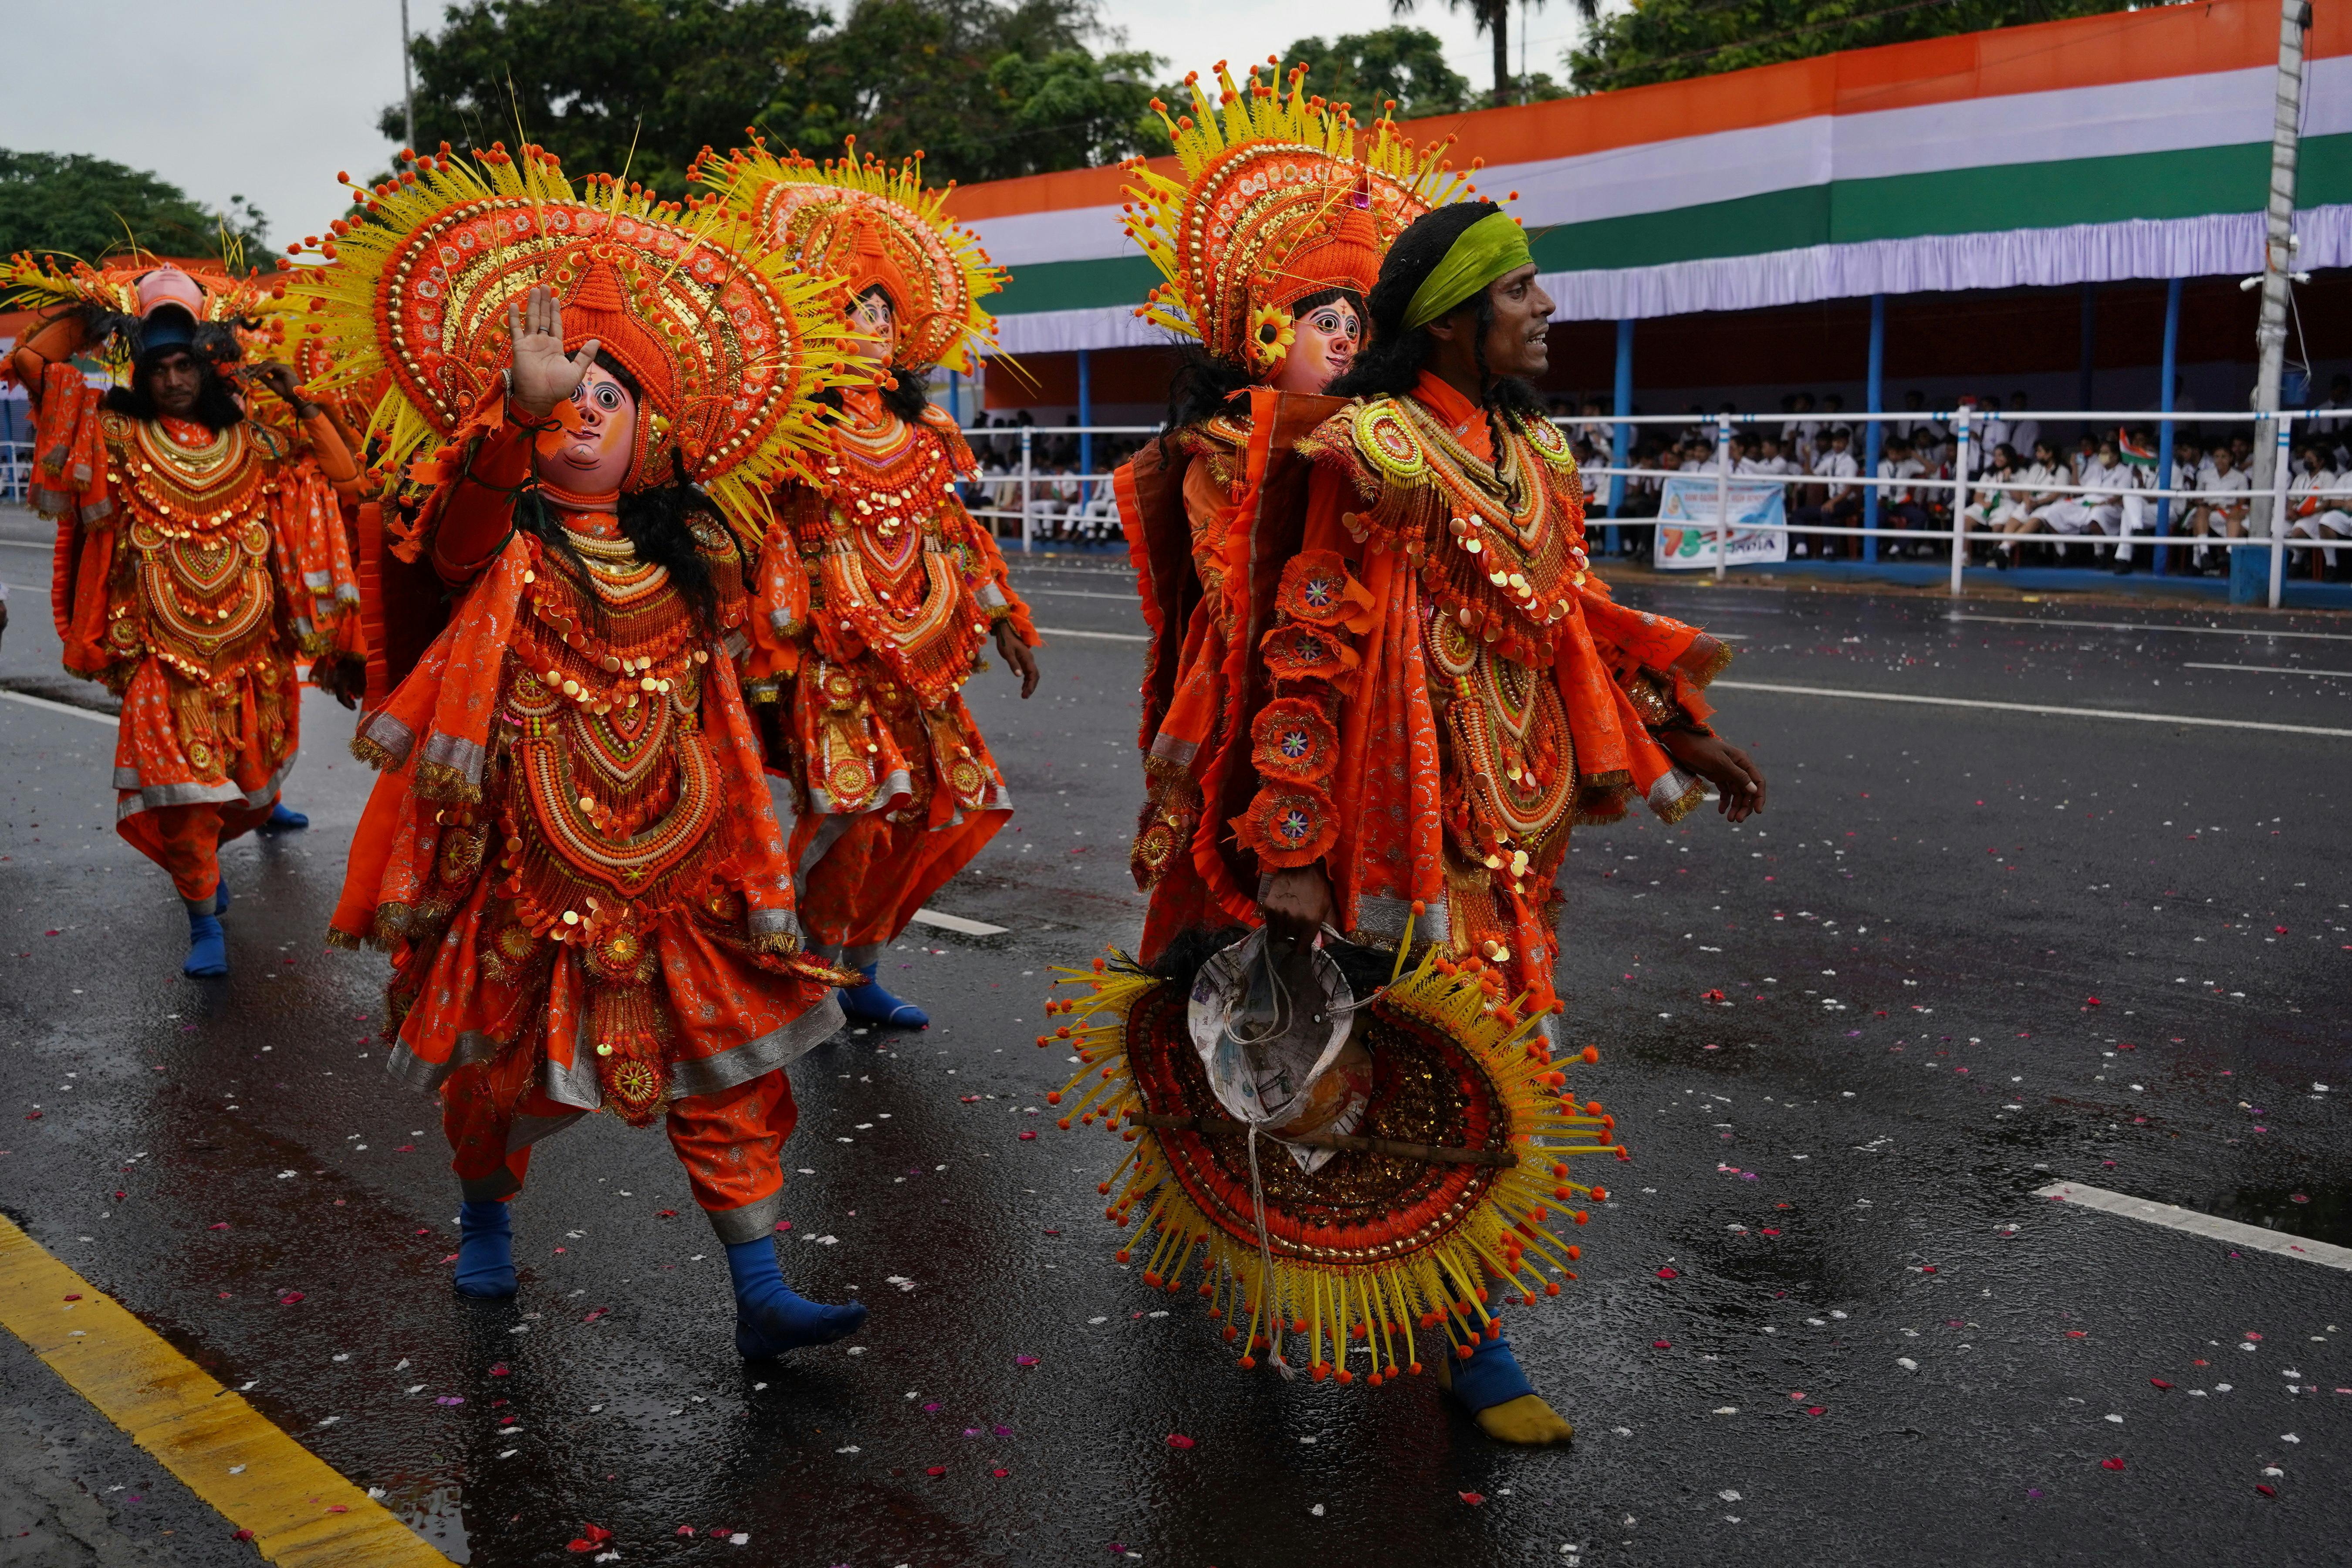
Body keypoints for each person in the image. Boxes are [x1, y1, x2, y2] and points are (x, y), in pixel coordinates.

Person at [1081, 198, 1765, 1448]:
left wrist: (1675, 727)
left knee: (1487, 1072)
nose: (1545, 308)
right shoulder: (1374, 451)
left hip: (1515, 824)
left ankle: (1456, 1331)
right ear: (1453, 317)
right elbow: (1310, 648)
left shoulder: (1538, 457)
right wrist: (1288, 853)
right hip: (1388, 828)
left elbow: (1572, 616)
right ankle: (1422, 1322)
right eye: (1519, 291)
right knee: (1344, 1075)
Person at [301, 148, 865, 1355]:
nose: (584, 412)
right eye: (566, 394)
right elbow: (449, 537)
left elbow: (735, 694)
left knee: (725, 1069)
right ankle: (486, 1219)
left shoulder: (690, 561)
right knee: (500, 1082)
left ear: (656, 437)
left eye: (612, 395)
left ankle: (760, 1285)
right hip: (527, 865)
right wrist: (511, 414)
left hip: (680, 861)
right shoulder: (490, 541)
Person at [696, 140, 1043, 1028]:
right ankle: (797, 965)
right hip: (831, 656)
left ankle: (861, 962)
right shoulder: (792, 434)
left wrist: (1004, 621)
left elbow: (955, 536)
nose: (870, 329)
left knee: (938, 810)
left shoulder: (926, 432)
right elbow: (744, 528)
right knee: (851, 815)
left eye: (884, 315)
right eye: (853, 312)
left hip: (923, 653)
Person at [1112, 61, 1463, 937]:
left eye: (1358, 328)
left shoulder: (1396, 435)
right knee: (1238, 904)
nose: (1344, 344)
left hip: (1383, 684)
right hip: (1261, 676)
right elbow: (1226, 575)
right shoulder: (1222, 449)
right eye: (1324, 325)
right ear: (1265, 334)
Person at [2, 257, 366, 976]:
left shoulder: (257, 442)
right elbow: (29, 363)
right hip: (162, 660)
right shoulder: (112, 439)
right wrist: (98, 318)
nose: (172, 380)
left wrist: (300, 402)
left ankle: (233, 843)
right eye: (158, 365)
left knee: (248, 783)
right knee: (181, 799)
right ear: (140, 372)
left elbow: (350, 479)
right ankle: (203, 915)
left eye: (186, 364)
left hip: (253, 653)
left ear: (209, 368)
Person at [2184, 444, 2251, 574]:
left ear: (2231, 458)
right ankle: (2205, 555)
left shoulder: (2240, 477)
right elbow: (2198, 497)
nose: (2220, 460)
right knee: (2201, 512)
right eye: (2217, 457)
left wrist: (2226, 506)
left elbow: (2242, 501)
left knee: (2235, 514)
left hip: (2229, 511)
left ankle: (2218, 557)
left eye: (2224, 457)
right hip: (2209, 509)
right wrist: (2206, 503)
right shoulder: (2205, 475)